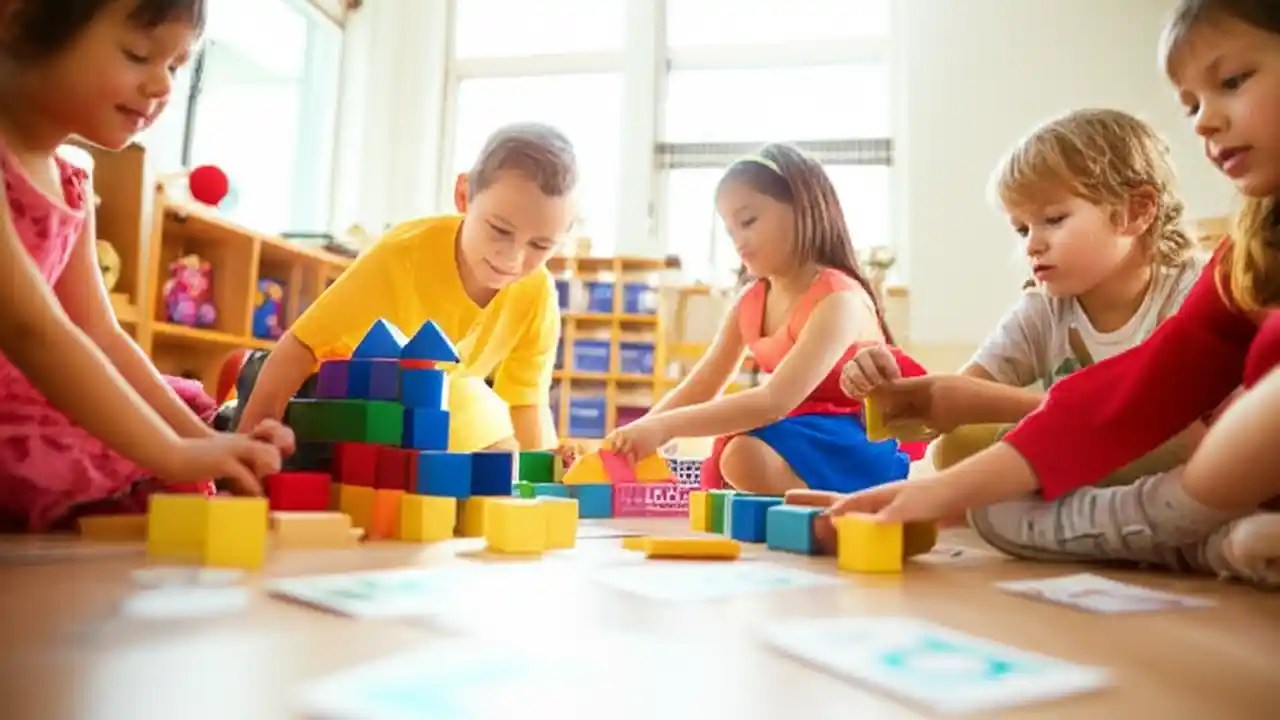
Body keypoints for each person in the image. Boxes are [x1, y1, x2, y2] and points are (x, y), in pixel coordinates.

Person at [828, 0, 1280, 588]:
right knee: (990, 497)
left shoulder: (1188, 278)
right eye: (1190, 104)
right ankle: (1193, 535)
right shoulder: (1243, 259)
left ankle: (1174, 529)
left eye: (1233, 81)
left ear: (1135, 210)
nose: (1202, 122)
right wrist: (929, 491)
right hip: (1211, 486)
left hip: (1207, 477)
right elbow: (1140, 388)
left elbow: (1187, 432)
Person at [839, 108, 1208, 545]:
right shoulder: (1044, 308)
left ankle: (1064, 522)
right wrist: (893, 383)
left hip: (1181, 459)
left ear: (1136, 211)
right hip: (1101, 476)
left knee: (1182, 445)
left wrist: (997, 404)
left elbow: (1181, 431)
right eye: (1021, 229)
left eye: (1053, 219)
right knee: (958, 448)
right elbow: (953, 411)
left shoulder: (1192, 292)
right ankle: (1086, 521)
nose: (1033, 243)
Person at [0, 0, 288, 532]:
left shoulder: (71, 182)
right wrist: (173, 454)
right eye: (138, 54)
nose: (161, 87)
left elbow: (100, 336)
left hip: (38, 393)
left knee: (177, 432)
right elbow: (30, 329)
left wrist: (204, 443)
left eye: (176, 66)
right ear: (16, 19)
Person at [234, 122, 576, 452]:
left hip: (424, 410)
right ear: (464, 195)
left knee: (479, 420)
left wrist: (543, 488)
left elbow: (526, 401)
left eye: (540, 246)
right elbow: (303, 344)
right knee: (471, 411)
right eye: (500, 231)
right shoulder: (403, 254)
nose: (514, 258)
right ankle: (234, 399)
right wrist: (249, 442)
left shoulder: (537, 294)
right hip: (333, 392)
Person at [606, 144, 925, 496]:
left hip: (852, 439)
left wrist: (664, 428)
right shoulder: (751, 300)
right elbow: (702, 385)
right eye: (729, 231)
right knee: (737, 454)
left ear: (802, 210)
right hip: (793, 432)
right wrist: (636, 435)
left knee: (742, 456)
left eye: (748, 221)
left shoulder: (839, 300)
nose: (738, 241)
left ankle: (840, 502)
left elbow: (775, 400)